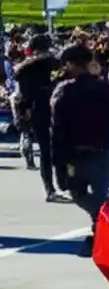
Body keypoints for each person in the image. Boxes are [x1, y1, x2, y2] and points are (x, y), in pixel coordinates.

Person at [49, 44, 109, 256]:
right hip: (102, 149)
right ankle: (102, 226)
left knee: (77, 192)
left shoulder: (64, 90)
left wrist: (57, 160)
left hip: (75, 151)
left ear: (71, 64)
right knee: (101, 191)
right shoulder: (104, 87)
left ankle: (101, 225)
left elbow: (57, 126)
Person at [12, 34, 61, 201]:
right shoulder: (56, 63)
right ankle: (63, 182)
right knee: (58, 148)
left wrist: (23, 109)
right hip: (57, 108)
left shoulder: (25, 68)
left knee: (45, 150)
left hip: (37, 109)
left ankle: (50, 188)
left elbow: (21, 93)